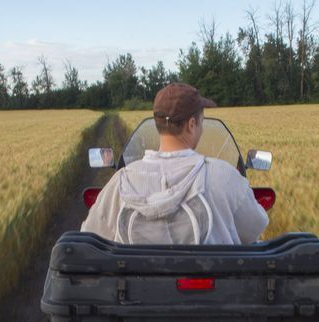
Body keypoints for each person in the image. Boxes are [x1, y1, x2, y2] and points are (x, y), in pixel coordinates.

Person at [80, 83, 269, 245]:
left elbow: (90, 238)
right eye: (201, 122)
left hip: (138, 279)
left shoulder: (121, 183)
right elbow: (255, 229)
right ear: (192, 124)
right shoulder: (225, 177)